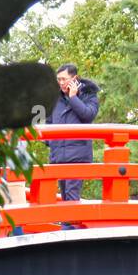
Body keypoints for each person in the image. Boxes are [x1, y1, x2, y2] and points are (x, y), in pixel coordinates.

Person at [48, 63, 100, 204]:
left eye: (64, 79)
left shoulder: (89, 94)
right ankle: (68, 225)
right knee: (64, 196)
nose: (61, 83)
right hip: (58, 155)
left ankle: (69, 226)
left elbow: (88, 115)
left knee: (71, 196)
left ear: (75, 78)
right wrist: (52, 142)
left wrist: (73, 98)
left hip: (77, 155)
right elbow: (45, 124)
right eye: (58, 80)